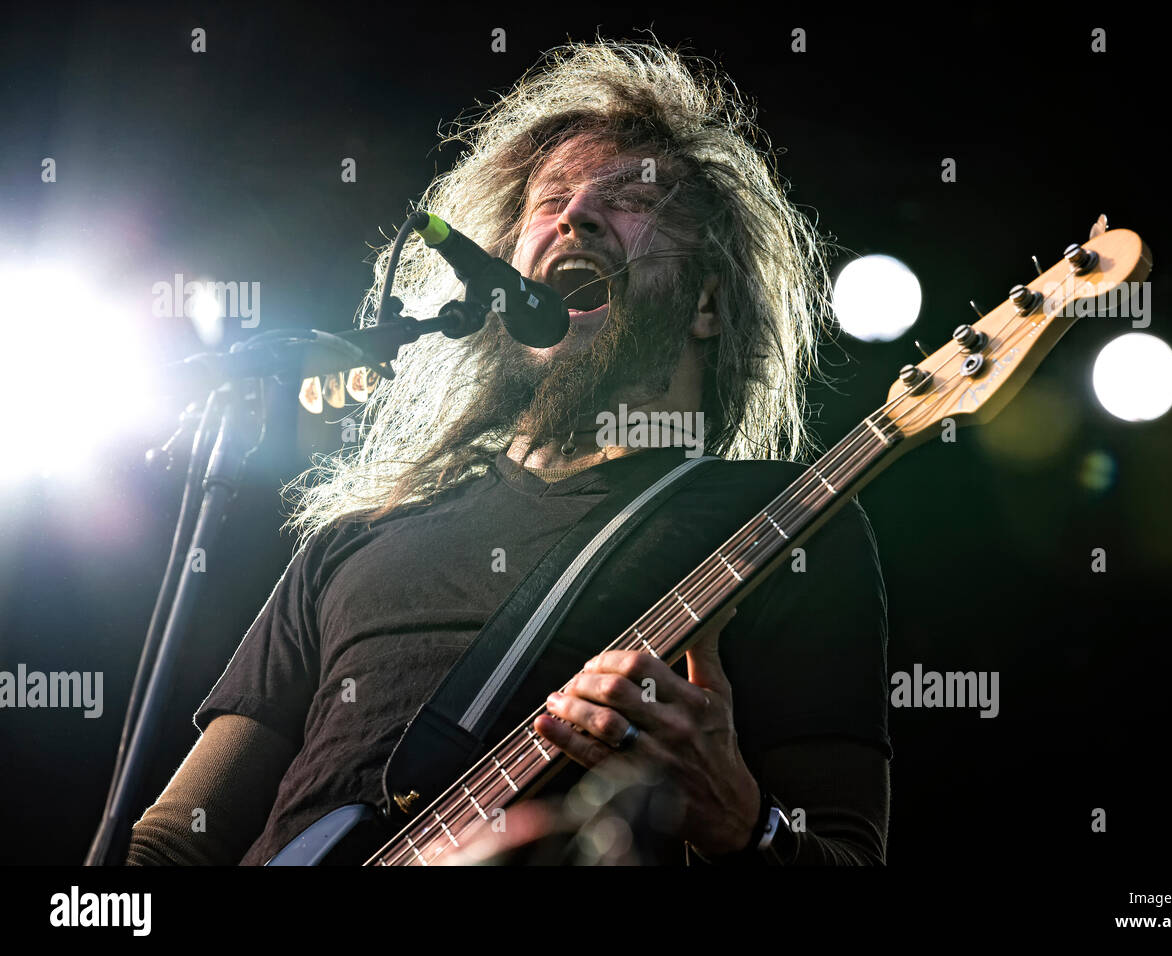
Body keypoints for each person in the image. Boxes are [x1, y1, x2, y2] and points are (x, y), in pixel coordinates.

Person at [126, 38, 891, 867]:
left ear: (708, 304)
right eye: (551, 197)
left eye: (631, 198)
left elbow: (846, 853)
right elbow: (176, 841)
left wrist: (745, 826)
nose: (575, 215)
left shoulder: (786, 523)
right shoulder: (362, 535)